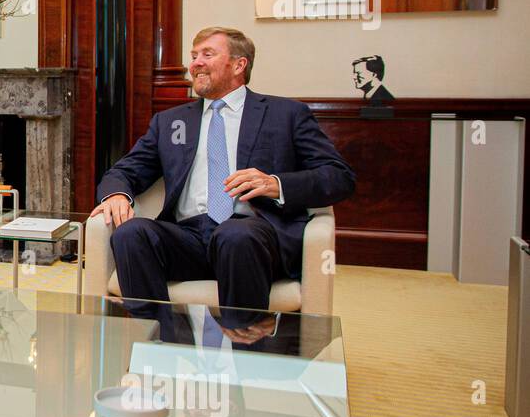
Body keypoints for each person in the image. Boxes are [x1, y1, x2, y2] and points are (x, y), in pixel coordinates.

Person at [89, 27, 355, 311]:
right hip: (188, 236)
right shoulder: (170, 122)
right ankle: (158, 342)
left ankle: (243, 351)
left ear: (239, 65)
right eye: (193, 56)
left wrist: (277, 184)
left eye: (207, 54)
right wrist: (116, 195)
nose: (195, 63)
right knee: (131, 233)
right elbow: (126, 169)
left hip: (252, 235)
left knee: (234, 235)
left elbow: (339, 176)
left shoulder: (286, 115)